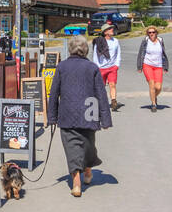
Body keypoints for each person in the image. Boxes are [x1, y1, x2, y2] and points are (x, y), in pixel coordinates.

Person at [47, 34, 112, 197]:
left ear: (70, 49)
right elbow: (101, 94)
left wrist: (52, 117)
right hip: (89, 113)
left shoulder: (61, 67)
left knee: (72, 148)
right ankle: (84, 174)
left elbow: (53, 93)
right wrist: (105, 119)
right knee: (87, 145)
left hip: (67, 113)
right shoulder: (92, 67)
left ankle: (77, 182)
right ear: (85, 50)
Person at [135, 24, 169, 111]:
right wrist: (139, 66)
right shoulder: (145, 41)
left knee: (158, 87)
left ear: (156, 32)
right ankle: (154, 104)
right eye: (149, 32)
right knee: (152, 84)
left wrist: (165, 66)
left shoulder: (160, 40)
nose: (151, 34)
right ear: (147, 33)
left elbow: (164, 54)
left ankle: (154, 96)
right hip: (147, 65)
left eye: (153, 32)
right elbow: (140, 53)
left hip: (158, 66)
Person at [92, 22, 123, 111]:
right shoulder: (99, 41)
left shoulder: (115, 41)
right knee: (101, 87)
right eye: (110, 29)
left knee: (112, 84)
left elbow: (118, 54)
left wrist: (117, 64)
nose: (112, 29)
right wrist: (96, 67)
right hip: (101, 68)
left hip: (112, 67)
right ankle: (101, 102)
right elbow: (95, 55)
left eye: (112, 28)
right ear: (105, 32)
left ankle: (114, 102)